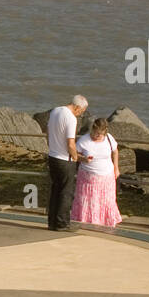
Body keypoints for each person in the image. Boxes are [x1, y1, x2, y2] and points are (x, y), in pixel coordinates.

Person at [45, 94, 88, 231]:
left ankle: (52, 222)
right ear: (77, 107)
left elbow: (48, 133)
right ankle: (62, 223)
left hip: (52, 156)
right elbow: (70, 143)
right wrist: (75, 156)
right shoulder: (71, 118)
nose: (81, 114)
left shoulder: (55, 111)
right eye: (82, 111)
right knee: (66, 192)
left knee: (55, 190)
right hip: (65, 160)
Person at [71, 117, 123, 228]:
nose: (98, 136)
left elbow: (115, 152)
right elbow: (74, 155)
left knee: (106, 201)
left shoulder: (109, 138)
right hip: (88, 177)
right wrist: (84, 159)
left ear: (105, 132)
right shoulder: (83, 141)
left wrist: (116, 168)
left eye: (100, 134)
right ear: (92, 129)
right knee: (89, 201)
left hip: (107, 177)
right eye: (96, 133)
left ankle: (106, 222)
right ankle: (86, 221)